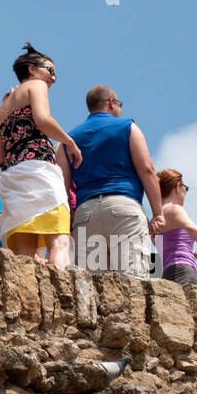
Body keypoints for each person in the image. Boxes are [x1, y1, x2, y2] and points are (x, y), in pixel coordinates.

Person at [60, 85, 166, 279]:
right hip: (123, 209)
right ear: (111, 103)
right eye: (119, 104)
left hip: (85, 215)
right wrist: (158, 213)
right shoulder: (127, 127)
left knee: (94, 286)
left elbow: (62, 187)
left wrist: (70, 224)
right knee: (133, 281)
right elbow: (147, 169)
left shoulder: (68, 140)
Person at [0, 44, 79, 267]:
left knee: (25, 255)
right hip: (39, 172)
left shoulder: (3, 108)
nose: (53, 78)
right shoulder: (36, 85)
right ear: (32, 69)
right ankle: (62, 299)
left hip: (13, 179)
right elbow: (42, 119)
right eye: (50, 71)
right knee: (59, 243)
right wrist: (69, 142)